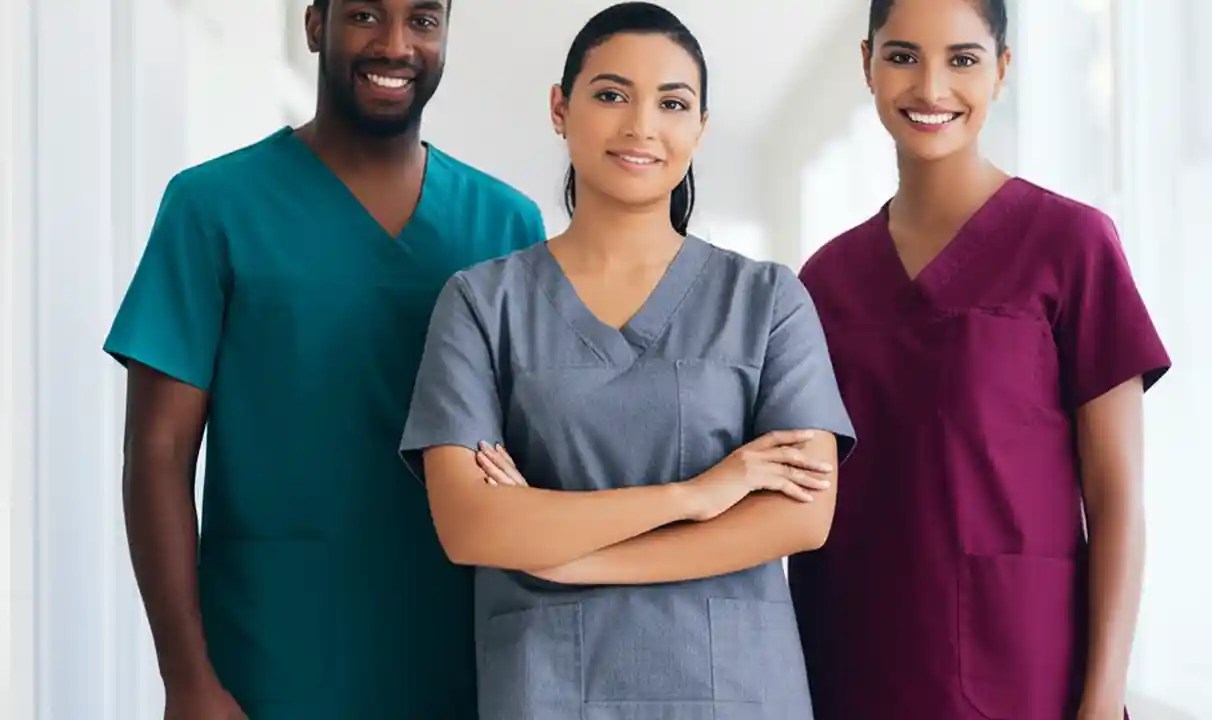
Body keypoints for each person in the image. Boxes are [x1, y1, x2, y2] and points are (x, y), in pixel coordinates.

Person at [397, 3, 856, 718]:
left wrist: (571, 557)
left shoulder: (768, 300)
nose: (641, 125)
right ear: (561, 107)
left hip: (734, 693)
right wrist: (698, 496)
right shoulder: (483, 305)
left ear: (699, 128)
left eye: (672, 103)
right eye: (611, 94)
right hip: (550, 691)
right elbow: (472, 526)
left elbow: (800, 517)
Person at [104, 0, 545, 716]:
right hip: (269, 666)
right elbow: (157, 454)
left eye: (424, 21)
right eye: (366, 14)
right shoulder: (212, 207)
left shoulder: (506, 223)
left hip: (460, 666)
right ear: (316, 25)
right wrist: (186, 678)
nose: (395, 44)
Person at [789, 0, 1171, 718]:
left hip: (1025, 669)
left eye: (962, 59)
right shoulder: (825, 280)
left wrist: (1103, 697)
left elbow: (1117, 497)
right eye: (902, 56)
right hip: (854, 665)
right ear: (866, 64)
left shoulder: (1072, 245)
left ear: (1002, 71)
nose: (931, 88)